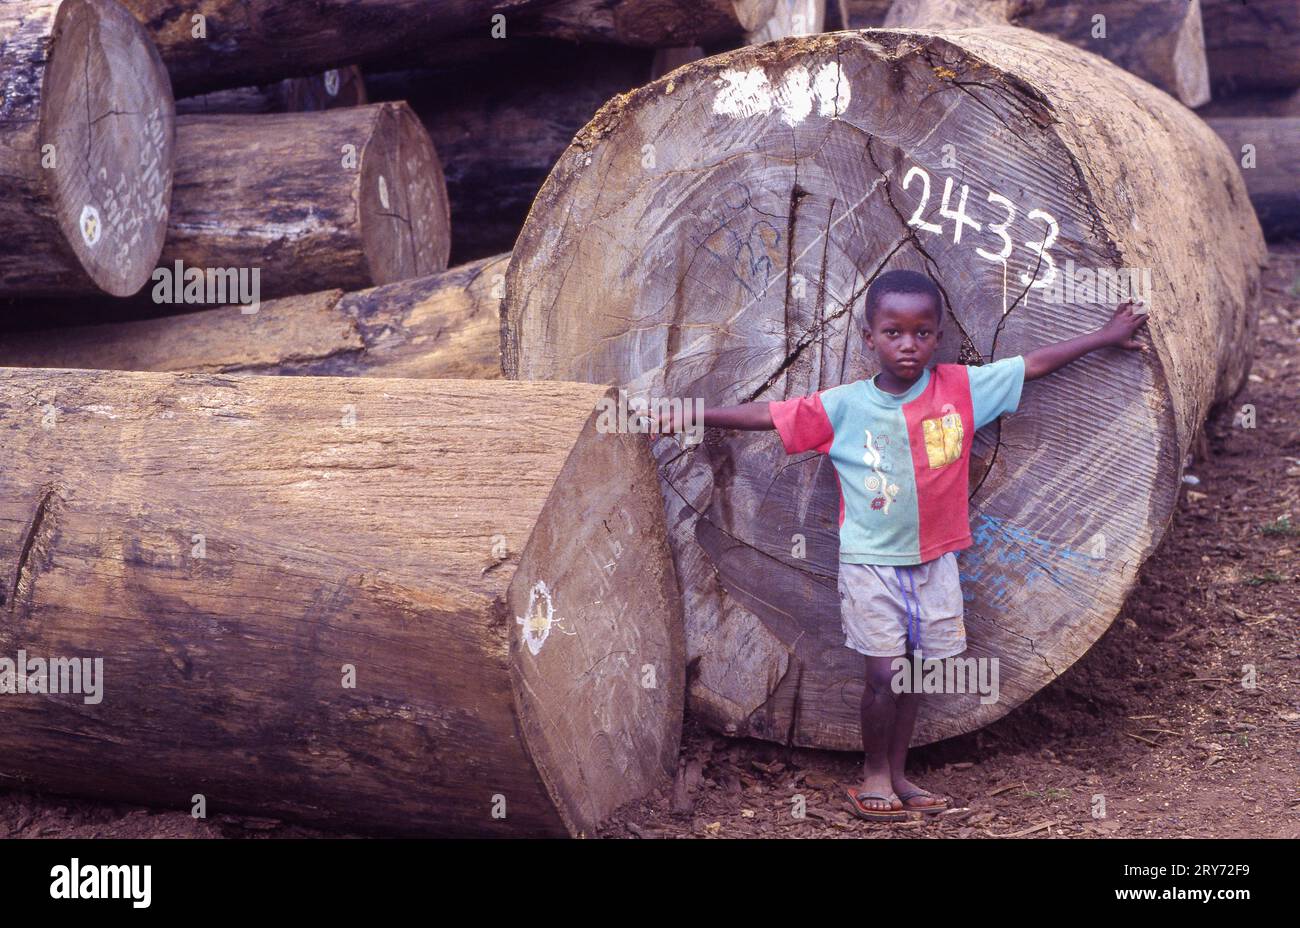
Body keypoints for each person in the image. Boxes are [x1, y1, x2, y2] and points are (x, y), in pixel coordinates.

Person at [652, 268, 1149, 821]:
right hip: (871, 566)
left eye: (921, 332)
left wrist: (1105, 336)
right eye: (893, 332)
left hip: (936, 563)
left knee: (916, 674)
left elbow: (1032, 365)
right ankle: (871, 774)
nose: (908, 345)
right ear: (869, 338)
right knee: (884, 675)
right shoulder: (844, 406)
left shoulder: (961, 389)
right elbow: (766, 416)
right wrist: (689, 414)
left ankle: (898, 774)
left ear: (938, 337)